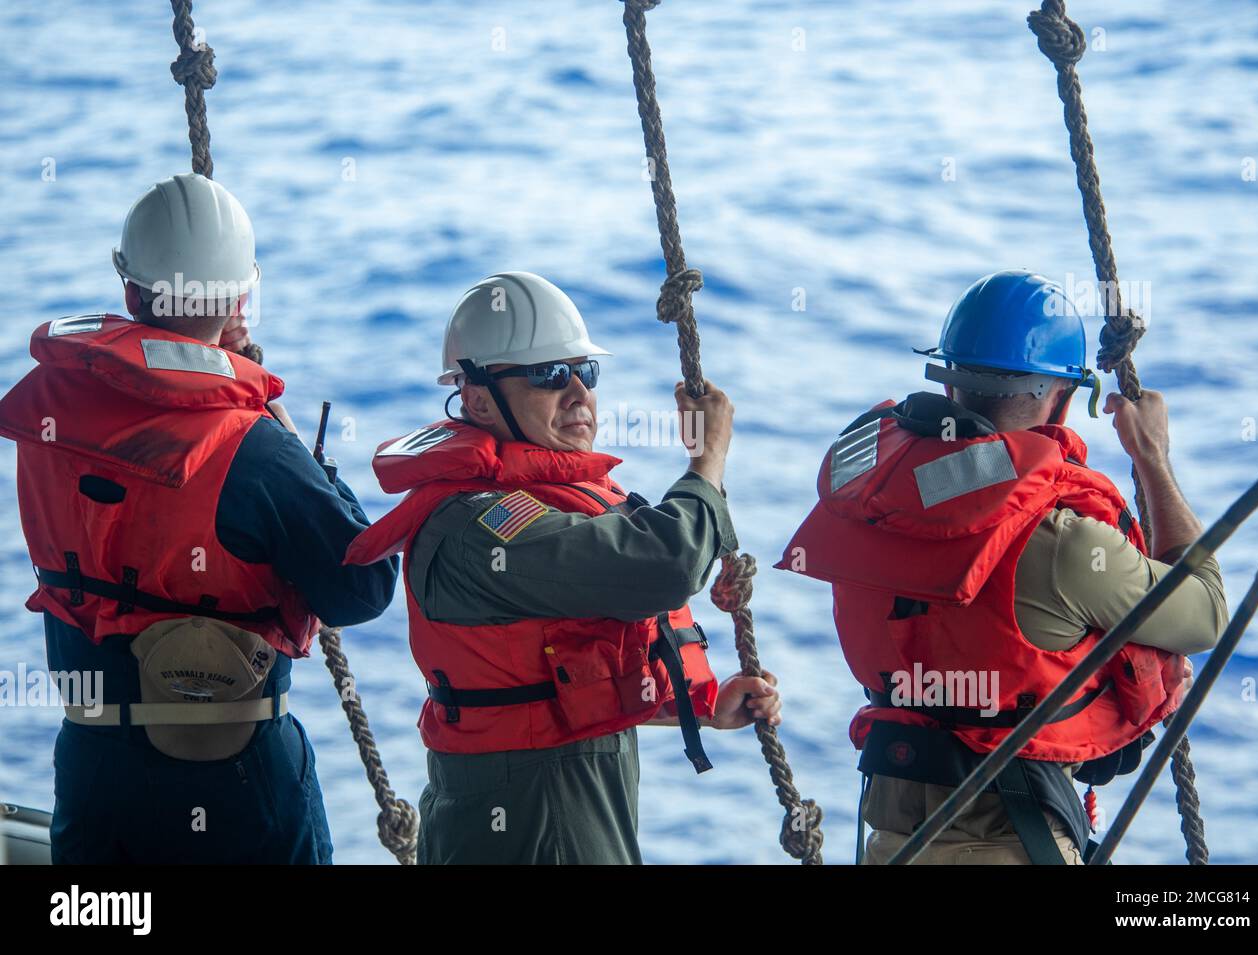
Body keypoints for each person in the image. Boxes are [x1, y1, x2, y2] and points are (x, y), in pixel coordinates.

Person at [0, 173, 398, 864]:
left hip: (94, 773)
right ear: (240, 298)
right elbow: (363, 587)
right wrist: (287, 435)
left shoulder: (48, 414)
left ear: (129, 289)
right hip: (236, 783)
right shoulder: (258, 449)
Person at [778, 270, 1228, 864]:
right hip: (1018, 844)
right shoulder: (1068, 545)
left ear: (947, 385)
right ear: (1062, 397)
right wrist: (1153, 458)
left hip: (890, 842)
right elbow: (1206, 612)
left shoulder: (872, 511)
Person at [344, 270, 781, 864]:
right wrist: (708, 459)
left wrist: (697, 706)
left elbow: (548, 685)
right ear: (476, 399)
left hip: (556, 810)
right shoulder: (481, 527)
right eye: (550, 375)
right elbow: (664, 564)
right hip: (536, 824)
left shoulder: (537, 505)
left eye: (587, 372)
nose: (578, 392)